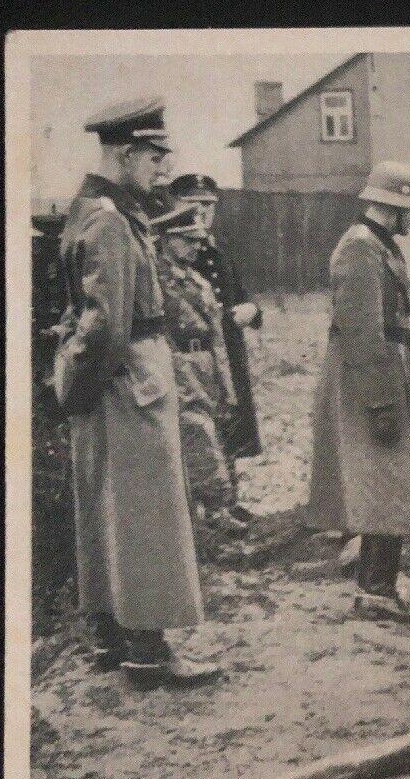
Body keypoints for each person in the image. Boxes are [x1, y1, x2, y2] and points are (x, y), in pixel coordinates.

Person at [51, 97, 216, 687]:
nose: (161, 170)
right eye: (153, 158)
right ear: (124, 154)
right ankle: (147, 652)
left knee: (109, 516)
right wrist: (84, 388)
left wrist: (76, 388)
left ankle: (114, 643)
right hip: (129, 384)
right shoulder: (109, 220)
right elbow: (106, 327)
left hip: (113, 384)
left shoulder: (95, 211)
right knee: (145, 519)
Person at [304, 161, 410, 623]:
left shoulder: (377, 245)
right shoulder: (359, 250)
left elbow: (392, 326)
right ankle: (374, 592)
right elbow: (363, 333)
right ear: (392, 206)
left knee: (387, 478)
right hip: (363, 377)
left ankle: (377, 585)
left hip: (379, 370)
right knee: (383, 479)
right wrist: (379, 402)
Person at [152, 204, 249, 535]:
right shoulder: (154, 281)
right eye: (188, 241)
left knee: (211, 434)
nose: (197, 247)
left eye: (198, 241)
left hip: (206, 366)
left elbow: (217, 337)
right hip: (177, 366)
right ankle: (209, 514)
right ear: (165, 240)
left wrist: (226, 385)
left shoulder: (198, 282)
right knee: (195, 435)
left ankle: (211, 515)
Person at [169, 173, 265, 466]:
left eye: (209, 205)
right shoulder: (176, 249)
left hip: (229, 349)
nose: (203, 211)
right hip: (200, 351)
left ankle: (230, 496)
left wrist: (253, 310)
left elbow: (240, 292)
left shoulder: (219, 247)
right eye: (194, 204)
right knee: (200, 424)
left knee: (230, 416)